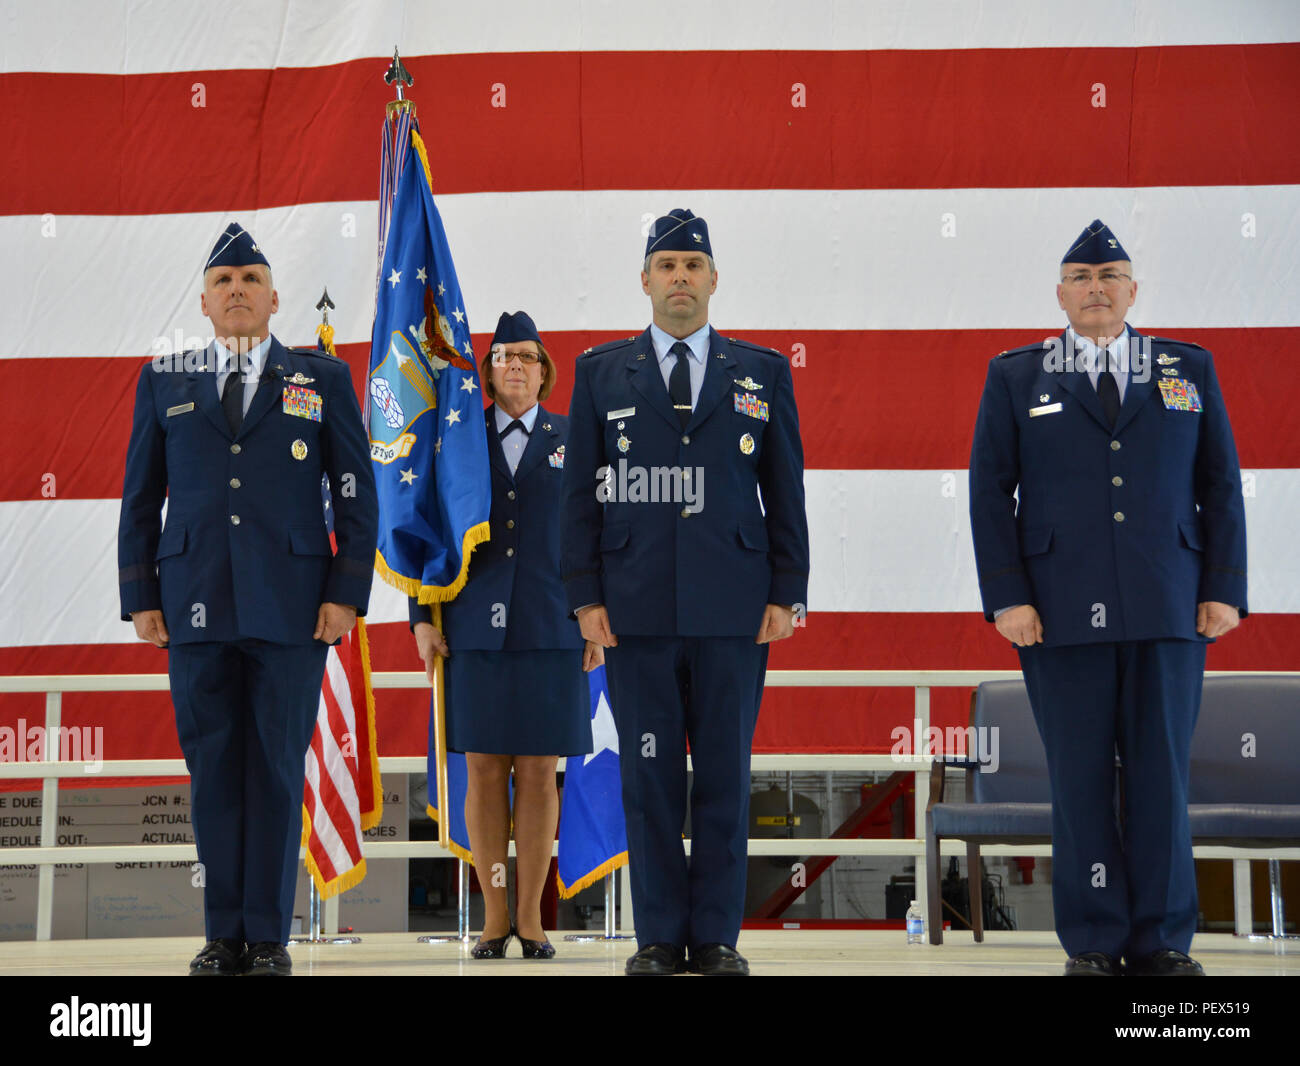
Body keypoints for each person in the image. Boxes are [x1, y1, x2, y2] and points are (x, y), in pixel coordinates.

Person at [969, 219, 1247, 977]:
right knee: (1081, 778)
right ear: (1061, 293)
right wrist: (1007, 598)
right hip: (1057, 611)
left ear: (1132, 290)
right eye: (1081, 279)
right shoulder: (1018, 375)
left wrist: (1223, 589)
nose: (1096, 290)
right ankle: (1093, 938)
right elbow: (991, 494)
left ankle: (1161, 940)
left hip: (1170, 605)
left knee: (1161, 777)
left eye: (1110, 277)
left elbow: (1219, 483)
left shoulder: (1187, 367)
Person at [118, 223, 378, 975]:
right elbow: (141, 498)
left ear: (273, 297)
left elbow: (356, 496)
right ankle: (221, 934)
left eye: (250, 280)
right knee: (213, 771)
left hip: (293, 608)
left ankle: (267, 936)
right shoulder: (165, 380)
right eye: (224, 282)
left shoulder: (320, 379)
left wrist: (346, 594)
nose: (237, 291)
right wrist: (141, 593)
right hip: (193, 603)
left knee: (273, 769)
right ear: (203, 302)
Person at [560, 209, 810, 975]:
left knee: (726, 778)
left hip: (733, 608)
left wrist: (787, 590)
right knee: (649, 776)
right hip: (633, 610)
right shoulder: (602, 372)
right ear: (644, 280)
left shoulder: (760, 371)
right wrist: (585, 598)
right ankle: (661, 937)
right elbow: (580, 497)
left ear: (712, 278)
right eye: (665, 266)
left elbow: (785, 488)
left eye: (692, 265)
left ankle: (717, 937)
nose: (679, 279)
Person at [411, 311, 598, 959]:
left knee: (542, 773)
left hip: (555, 626)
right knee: (485, 772)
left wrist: (599, 617)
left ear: (545, 371)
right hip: (472, 629)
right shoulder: (455, 441)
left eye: (526, 356)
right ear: (487, 373)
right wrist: (420, 619)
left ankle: (532, 918)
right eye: (501, 357)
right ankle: (494, 918)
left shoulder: (578, 439)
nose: (513, 364)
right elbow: (424, 528)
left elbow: (596, 537)